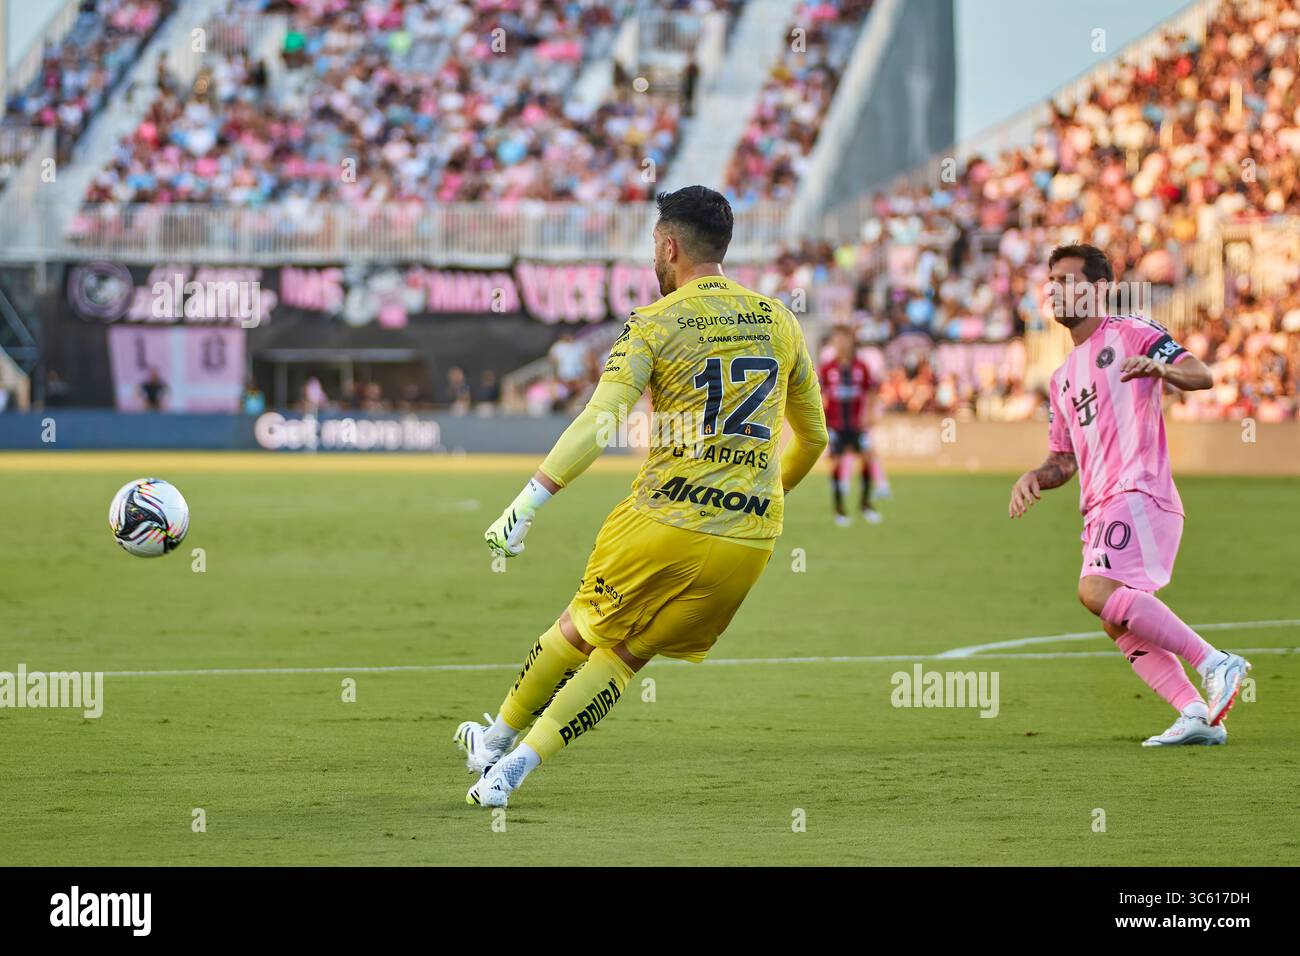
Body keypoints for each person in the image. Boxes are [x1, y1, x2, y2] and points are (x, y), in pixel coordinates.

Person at [454, 185, 829, 806]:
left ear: (669, 246)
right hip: (751, 540)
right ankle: (513, 767)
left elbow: (600, 423)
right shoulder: (780, 320)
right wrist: (764, 493)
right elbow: (813, 437)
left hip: (663, 520)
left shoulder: (654, 323)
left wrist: (526, 504)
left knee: (577, 631)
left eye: (655, 247)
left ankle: (494, 743)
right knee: (624, 659)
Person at [1009, 243, 1251, 747]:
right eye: (1052, 281)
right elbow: (1063, 460)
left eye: (1069, 281)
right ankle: (1196, 713)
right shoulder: (1061, 379)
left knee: (1096, 592)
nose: (1057, 290)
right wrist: (1035, 476)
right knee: (1114, 620)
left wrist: (1161, 371)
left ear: (1099, 289)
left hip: (1141, 492)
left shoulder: (1132, 332)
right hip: (1100, 507)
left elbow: (1200, 375)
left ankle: (1216, 662)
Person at [819, 325, 880, 525]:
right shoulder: (828, 368)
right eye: (837, 340)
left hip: (856, 424)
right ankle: (839, 509)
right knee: (835, 463)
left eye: (844, 340)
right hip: (836, 424)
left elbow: (870, 391)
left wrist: (869, 413)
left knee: (868, 459)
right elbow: (821, 394)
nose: (841, 344)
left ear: (850, 341)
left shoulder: (861, 366)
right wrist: (822, 418)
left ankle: (865, 504)